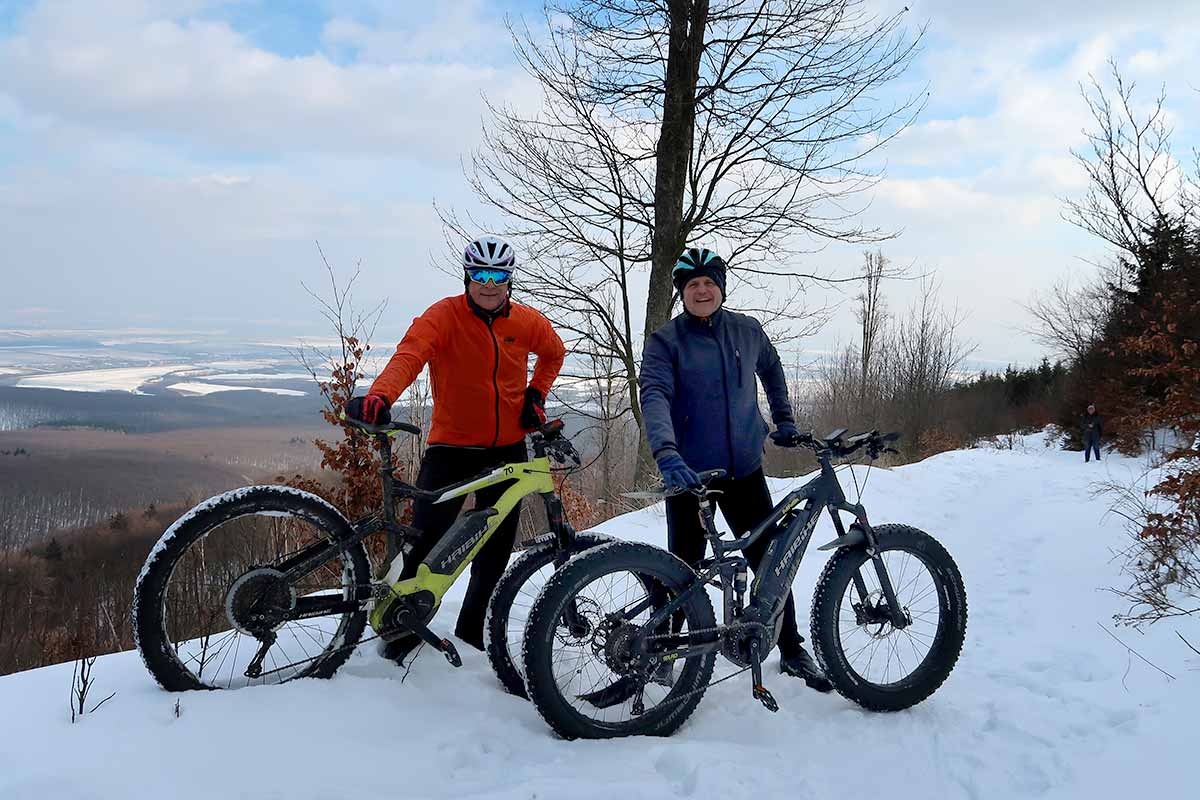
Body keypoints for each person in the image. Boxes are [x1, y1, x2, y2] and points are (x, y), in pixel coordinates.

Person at [345, 235, 566, 664]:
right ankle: (398, 633)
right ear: (467, 276)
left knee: (495, 550)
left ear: (509, 280)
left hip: (506, 452)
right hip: (451, 449)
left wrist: (535, 395)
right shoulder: (443, 316)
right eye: (480, 274)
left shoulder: (525, 322)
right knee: (424, 543)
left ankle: (469, 635)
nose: (488, 283)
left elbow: (554, 353)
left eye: (497, 275)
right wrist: (381, 396)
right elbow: (410, 355)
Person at [638, 246, 833, 692]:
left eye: (709, 283)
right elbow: (654, 395)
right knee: (682, 566)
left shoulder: (747, 331)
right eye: (693, 285)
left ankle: (791, 648)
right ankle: (666, 647)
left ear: (721, 288)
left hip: (745, 470)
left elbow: (772, 367)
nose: (702, 291)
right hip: (691, 475)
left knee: (769, 562)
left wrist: (784, 420)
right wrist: (666, 453)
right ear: (682, 294)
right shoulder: (666, 342)